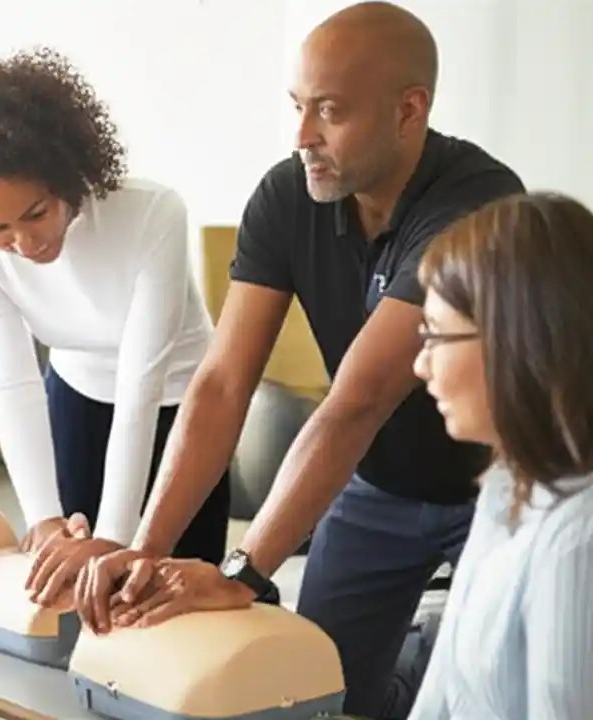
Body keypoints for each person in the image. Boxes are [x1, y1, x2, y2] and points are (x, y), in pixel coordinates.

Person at [74, 3, 524, 717]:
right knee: (319, 688)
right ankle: (417, 654)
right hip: (377, 485)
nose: (303, 135)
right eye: (298, 106)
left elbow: (360, 399)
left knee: (490, 695)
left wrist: (246, 570)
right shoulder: (288, 194)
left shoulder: (477, 204)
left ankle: (437, 647)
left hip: (499, 493)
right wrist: (148, 549)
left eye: (330, 111)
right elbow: (223, 384)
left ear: (410, 111)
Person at [0, 47, 226, 605]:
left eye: (36, 213)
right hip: (76, 393)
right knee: (68, 591)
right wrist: (41, 517)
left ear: (65, 173)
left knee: (170, 596)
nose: (25, 242)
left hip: (177, 406)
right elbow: (12, 376)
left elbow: (142, 385)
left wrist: (114, 538)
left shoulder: (152, 215)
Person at [406, 192, 593, 719]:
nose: (421, 365)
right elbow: (438, 695)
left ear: (517, 343)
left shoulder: (577, 539)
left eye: (435, 337)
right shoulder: (508, 480)